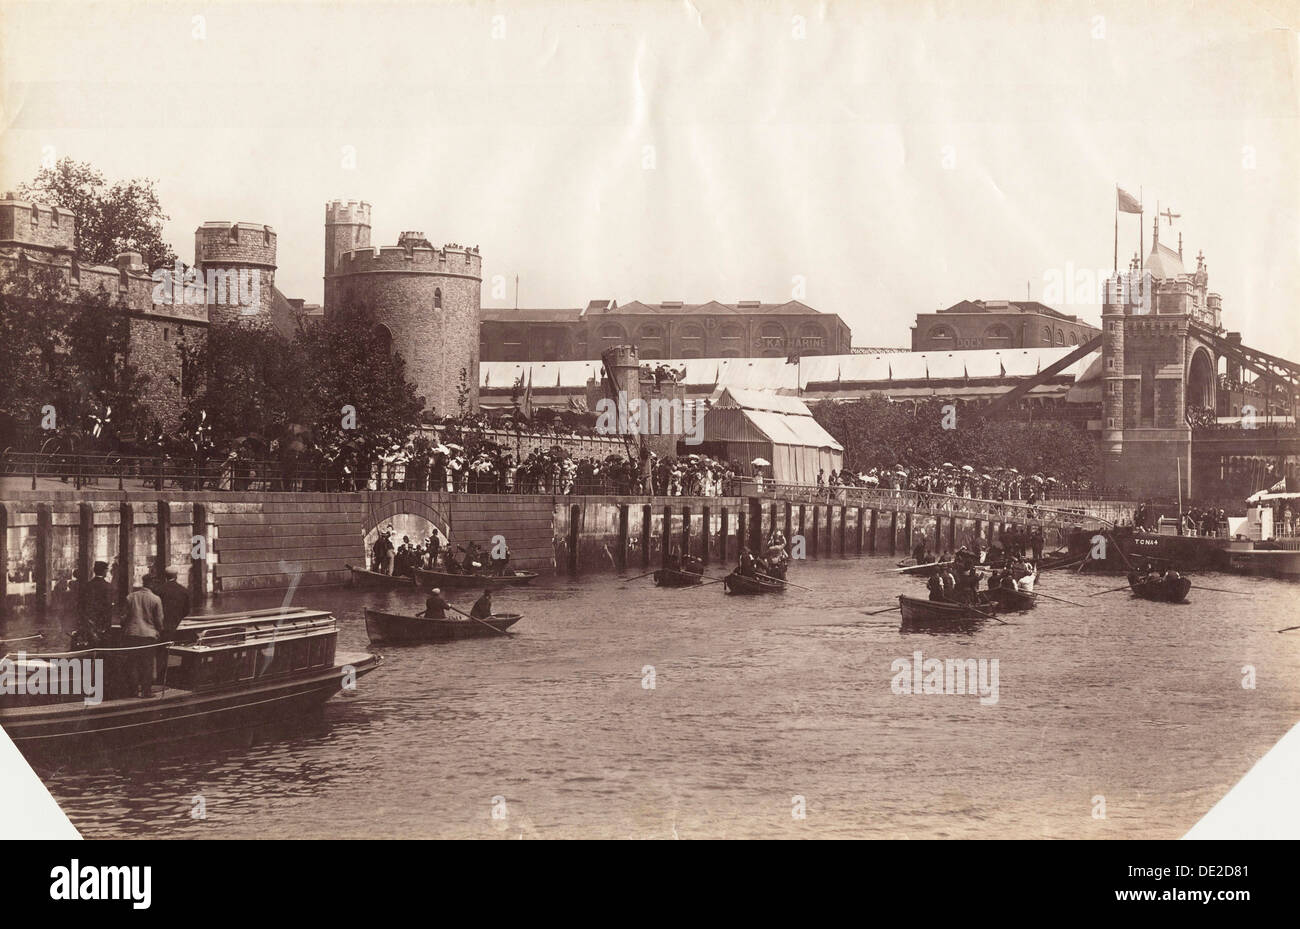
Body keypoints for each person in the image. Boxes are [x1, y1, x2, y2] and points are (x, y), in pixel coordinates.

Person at [122, 575, 165, 698]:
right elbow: (159, 620)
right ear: (151, 584)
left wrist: (126, 628)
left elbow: (124, 617)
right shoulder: (156, 599)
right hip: (148, 635)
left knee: (133, 663)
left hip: (132, 634)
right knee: (147, 664)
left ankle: (133, 691)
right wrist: (159, 631)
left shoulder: (130, 597)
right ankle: (146, 691)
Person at [84, 560, 115, 643]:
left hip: (90, 620)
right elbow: (108, 606)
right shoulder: (108, 586)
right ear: (104, 571)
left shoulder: (88, 585)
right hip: (103, 622)